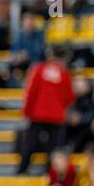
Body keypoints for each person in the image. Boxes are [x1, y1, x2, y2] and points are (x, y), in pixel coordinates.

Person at [15, 47, 74, 175]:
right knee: (53, 149)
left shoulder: (39, 69)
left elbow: (31, 92)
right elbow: (69, 97)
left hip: (37, 114)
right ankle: (50, 173)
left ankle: (21, 172)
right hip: (56, 117)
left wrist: (26, 112)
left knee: (29, 145)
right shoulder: (64, 74)